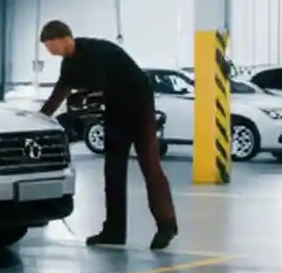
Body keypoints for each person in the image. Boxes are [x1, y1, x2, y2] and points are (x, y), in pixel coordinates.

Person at [36, 20, 178, 250]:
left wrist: (85, 97)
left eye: (48, 45)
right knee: (112, 172)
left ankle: (167, 225)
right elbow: (60, 92)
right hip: (114, 111)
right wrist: (41, 117)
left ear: (62, 38)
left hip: (139, 107)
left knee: (150, 166)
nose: (48, 51)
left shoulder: (100, 51)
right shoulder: (68, 65)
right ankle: (114, 230)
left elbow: (103, 84)